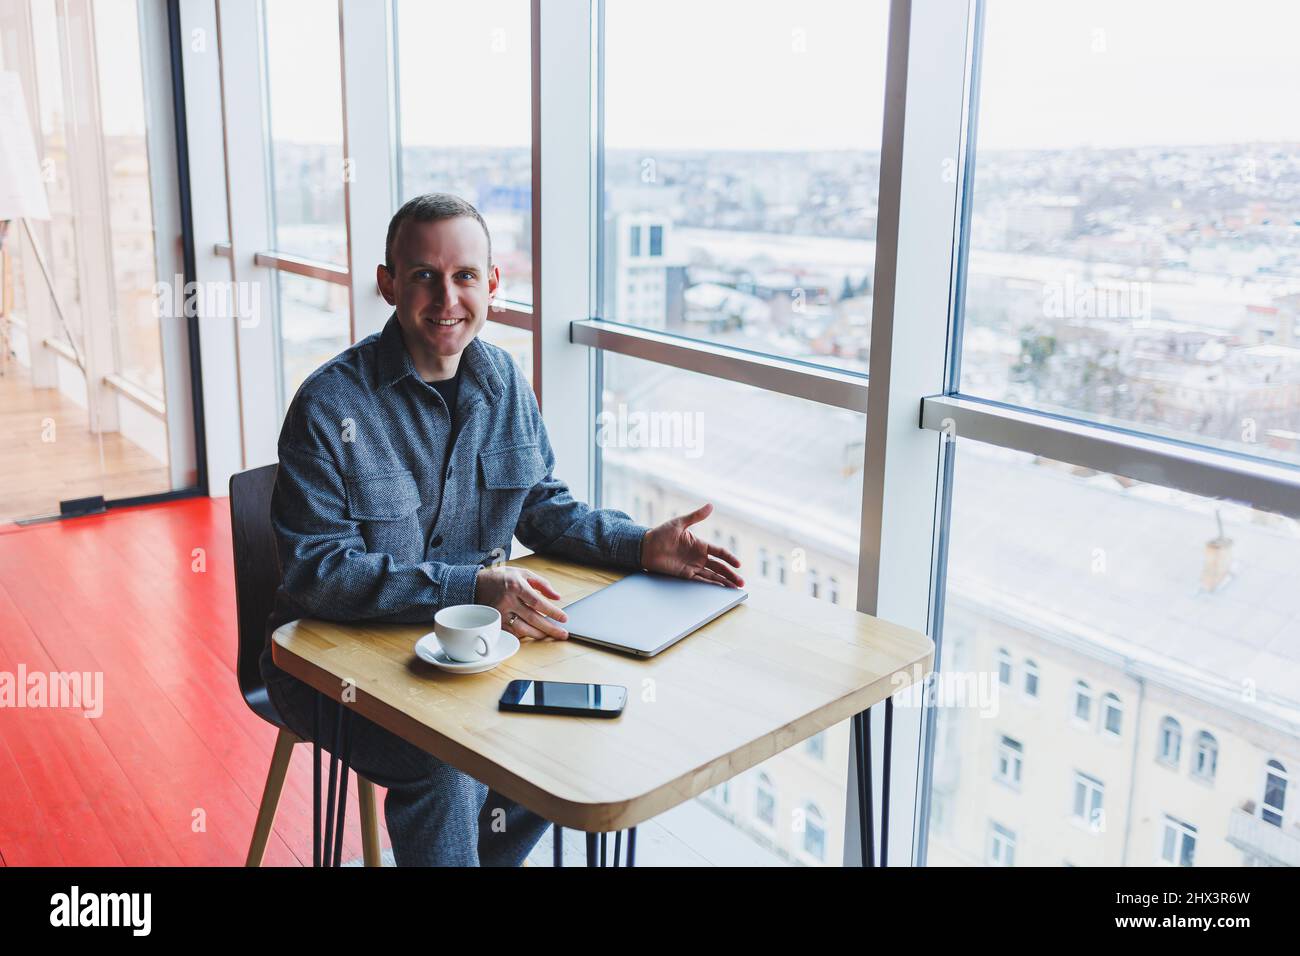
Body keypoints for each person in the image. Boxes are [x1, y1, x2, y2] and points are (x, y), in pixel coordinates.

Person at [260, 193, 743, 866]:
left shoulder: (504, 380)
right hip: (327, 666)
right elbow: (319, 573)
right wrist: (472, 586)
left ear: (491, 284)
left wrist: (640, 545)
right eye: (423, 275)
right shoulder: (329, 404)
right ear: (388, 284)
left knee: (567, 724)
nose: (446, 298)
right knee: (445, 762)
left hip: (472, 658)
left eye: (464, 276)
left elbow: (543, 507)